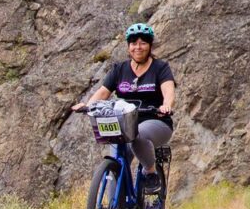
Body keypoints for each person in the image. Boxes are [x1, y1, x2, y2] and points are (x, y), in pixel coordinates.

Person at [73, 22, 176, 190]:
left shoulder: (160, 68)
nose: (138, 47)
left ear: (150, 46)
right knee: (117, 160)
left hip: (156, 120)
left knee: (137, 136)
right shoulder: (120, 69)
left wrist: (166, 105)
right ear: (129, 47)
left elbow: (169, 91)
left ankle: (150, 173)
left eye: (143, 43)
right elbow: (103, 92)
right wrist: (87, 105)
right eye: (134, 43)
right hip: (125, 122)